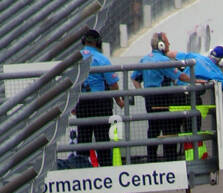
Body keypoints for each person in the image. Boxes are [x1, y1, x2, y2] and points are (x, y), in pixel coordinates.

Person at [131, 33, 190, 162]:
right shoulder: (164, 61)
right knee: (169, 130)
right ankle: (170, 161)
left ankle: (151, 160)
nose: (169, 44)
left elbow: (134, 78)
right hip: (164, 98)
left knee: (153, 128)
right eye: (167, 42)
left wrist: (142, 92)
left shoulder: (144, 59)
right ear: (161, 45)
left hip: (149, 99)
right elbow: (180, 76)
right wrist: (195, 80)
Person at [77, 28, 122, 167]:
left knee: (83, 138)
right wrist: (119, 100)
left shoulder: (75, 58)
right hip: (100, 102)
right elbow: (113, 83)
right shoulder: (102, 59)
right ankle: (105, 173)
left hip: (82, 102)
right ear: (98, 43)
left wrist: (73, 105)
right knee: (102, 138)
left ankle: (81, 171)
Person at [171, 43, 223, 119]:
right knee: (193, 123)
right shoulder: (217, 74)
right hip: (190, 98)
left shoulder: (196, 57)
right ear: (222, 61)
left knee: (174, 125)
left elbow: (173, 54)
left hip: (176, 92)